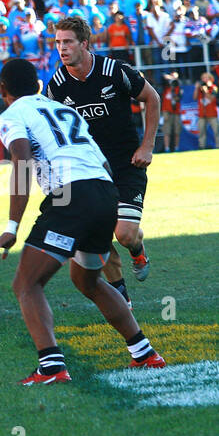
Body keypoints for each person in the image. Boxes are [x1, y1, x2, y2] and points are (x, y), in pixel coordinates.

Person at [0, 58, 165, 384]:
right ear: (39, 85)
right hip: (106, 191)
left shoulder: (11, 114)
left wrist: (11, 227)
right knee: (87, 281)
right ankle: (145, 353)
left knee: (26, 283)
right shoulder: (65, 111)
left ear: (3, 89)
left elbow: (21, 160)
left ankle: (51, 367)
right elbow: (100, 159)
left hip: (71, 197)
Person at [45, 16, 158, 305]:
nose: (62, 48)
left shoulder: (114, 70)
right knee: (96, 235)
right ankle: (122, 299)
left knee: (125, 234)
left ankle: (137, 249)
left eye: (68, 42)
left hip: (126, 163)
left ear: (84, 43)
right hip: (89, 170)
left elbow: (152, 98)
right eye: (58, 43)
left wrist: (147, 146)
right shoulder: (56, 86)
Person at [196, 72, 219, 149]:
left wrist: (205, 91)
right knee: (201, 132)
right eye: (203, 78)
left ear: (211, 79)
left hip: (212, 114)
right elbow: (195, 97)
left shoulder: (215, 88)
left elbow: (212, 98)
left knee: (216, 131)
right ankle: (201, 147)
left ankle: (218, 146)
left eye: (206, 78)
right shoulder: (200, 89)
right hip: (202, 114)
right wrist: (196, 88)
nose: (204, 80)